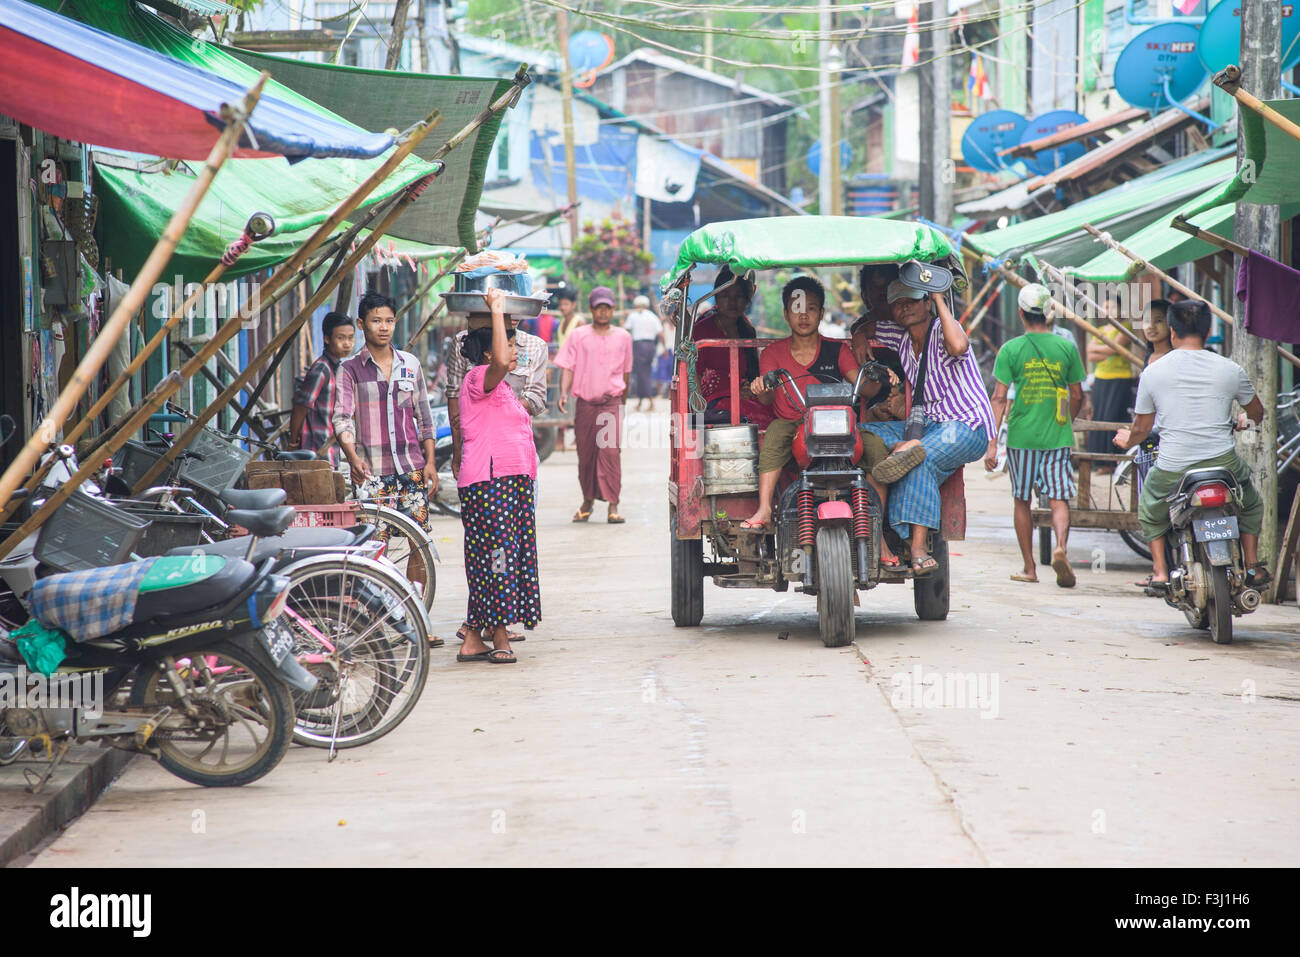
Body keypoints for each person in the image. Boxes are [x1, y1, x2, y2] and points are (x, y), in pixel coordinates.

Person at [1114, 300, 1268, 591]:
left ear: (1172, 332)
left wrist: (1127, 439)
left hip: (1174, 465)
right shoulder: (1230, 369)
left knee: (1150, 508)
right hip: (1223, 465)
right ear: (1208, 331)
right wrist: (1241, 421)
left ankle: (1160, 572)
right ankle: (1252, 567)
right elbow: (1257, 414)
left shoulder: (1153, 372)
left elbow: (1142, 429)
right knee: (1250, 504)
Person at [858, 280, 996, 575]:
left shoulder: (944, 329)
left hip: (965, 425)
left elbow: (959, 345)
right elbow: (866, 326)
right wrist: (859, 338)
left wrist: (939, 298)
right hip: (928, 426)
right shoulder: (901, 337)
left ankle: (918, 548)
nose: (904, 307)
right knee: (861, 434)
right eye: (898, 304)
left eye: (911, 300)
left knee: (920, 459)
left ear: (926, 303)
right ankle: (875, 524)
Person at [742, 276, 892, 541]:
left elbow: (864, 387)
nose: (803, 315)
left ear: (821, 313)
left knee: (877, 449)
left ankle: (877, 532)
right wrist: (761, 388)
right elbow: (766, 400)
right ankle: (764, 508)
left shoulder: (836, 350)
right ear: (786, 314)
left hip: (837, 424)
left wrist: (880, 376)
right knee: (774, 434)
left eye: (811, 308)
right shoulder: (772, 354)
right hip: (792, 424)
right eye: (796, 308)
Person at [451, 288, 542, 665]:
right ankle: (499, 635)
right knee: (497, 558)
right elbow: (503, 361)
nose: (515, 352)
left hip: (510, 484)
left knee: (496, 558)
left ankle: (473, 636)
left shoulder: (501, 389)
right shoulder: (478, 379)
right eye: (507, 346)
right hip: (491, 484)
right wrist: (499, 310)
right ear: (489, 354)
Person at [332, 291, 439, 605]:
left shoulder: (411, 365)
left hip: (412, 470)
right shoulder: (350, 370)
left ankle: (416, 611)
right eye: (376, 320)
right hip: (372, 474)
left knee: (418, 542)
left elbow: (425, 419)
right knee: (373, 546)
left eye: (389, 320)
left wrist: (430, 462)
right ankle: (377, 616)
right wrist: (352, 457)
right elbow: (342, 418)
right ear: (362, 324)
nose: (384, 327)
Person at [986, 284, 1086, 587]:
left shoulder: (1010, 349)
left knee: (1021, 499)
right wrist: (1065, 422)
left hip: (1021, 437)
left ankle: (1029, 568)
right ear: (1049, 312)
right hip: (1057, 435)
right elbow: (1078, 394)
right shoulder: (1067, 347)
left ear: (1020, 313)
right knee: (1058, 498)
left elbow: (1000, 398)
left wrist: (992, 443)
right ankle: (1060, 548)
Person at [555, 286, 634, 523]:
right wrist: (563, 393)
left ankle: (613, 505)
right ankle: (587, 501)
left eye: (607, 308)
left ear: (613, 310)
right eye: (598, 307)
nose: (602, 312)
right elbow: (568, 366)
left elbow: (626, 372)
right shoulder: (578, 336)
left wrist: (622, 403)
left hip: (611, 403)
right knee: (586, 455)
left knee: (610, 453)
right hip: (585, 405)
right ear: (590, 309)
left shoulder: (624, 337)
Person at [691, 266, 773, 427]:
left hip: (741, 398)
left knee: (776, 413)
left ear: (748, 299)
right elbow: (693, 376)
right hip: (711, 403)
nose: (732, 302)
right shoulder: (702, 329)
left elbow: (752, 373)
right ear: (716, 296)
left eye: (739, 297)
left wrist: (749, 389)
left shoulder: (747, 329)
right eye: (725, 296)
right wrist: (699, 415)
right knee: (756, 418)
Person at [288, 311, 354, 465]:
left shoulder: (339, 368)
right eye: (341, 338)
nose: (347, 343)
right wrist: (293, 443)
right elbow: (300, 408)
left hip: (331, 449)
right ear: (327, 339)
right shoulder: (321, 370)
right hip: (317, 451)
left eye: (350, 338)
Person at [1085, 311, 1139, 458]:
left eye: (1112, 306)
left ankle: (1113, 459)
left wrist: (1107, 350)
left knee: (1113, 415)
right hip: (1100, 377)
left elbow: (1111, 348)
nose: (1108, 310)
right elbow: (1090, 354)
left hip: (1120, 378)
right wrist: (1109, 351)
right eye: (1106, 306)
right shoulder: (1100, 330)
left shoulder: (1125, 326)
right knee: (1099, 416)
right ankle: (1099, 460)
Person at [626, 293, 662, 412]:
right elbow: (660, 333)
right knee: (643, 372)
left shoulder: (633, 315)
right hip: (650, 346)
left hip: (639, 346)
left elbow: (626, 329)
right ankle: (641, 402)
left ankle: (650, 401)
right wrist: (665, 346)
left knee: (642, 373)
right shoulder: (652, 316)